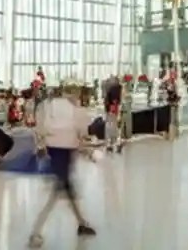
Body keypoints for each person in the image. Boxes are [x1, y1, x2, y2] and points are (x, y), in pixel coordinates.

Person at [27, 88, 96, 248]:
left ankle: (81, 223)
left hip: (55, 148)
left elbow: (41, 128)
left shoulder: (49, 106)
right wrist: (86, 149)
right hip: (65, 150)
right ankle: (35, 232)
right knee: (58, 190)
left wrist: (42, 143)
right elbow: (82, 130)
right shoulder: (73, 107)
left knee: (66, 188)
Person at [102, 74, 124, 153]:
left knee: (110, 126)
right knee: (114, 126)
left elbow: (110, 100)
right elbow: (118, 100)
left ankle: (111, 143)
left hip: (111, 109)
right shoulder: (118, 88)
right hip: (114, 108)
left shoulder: (112, 88)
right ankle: (116, 142)